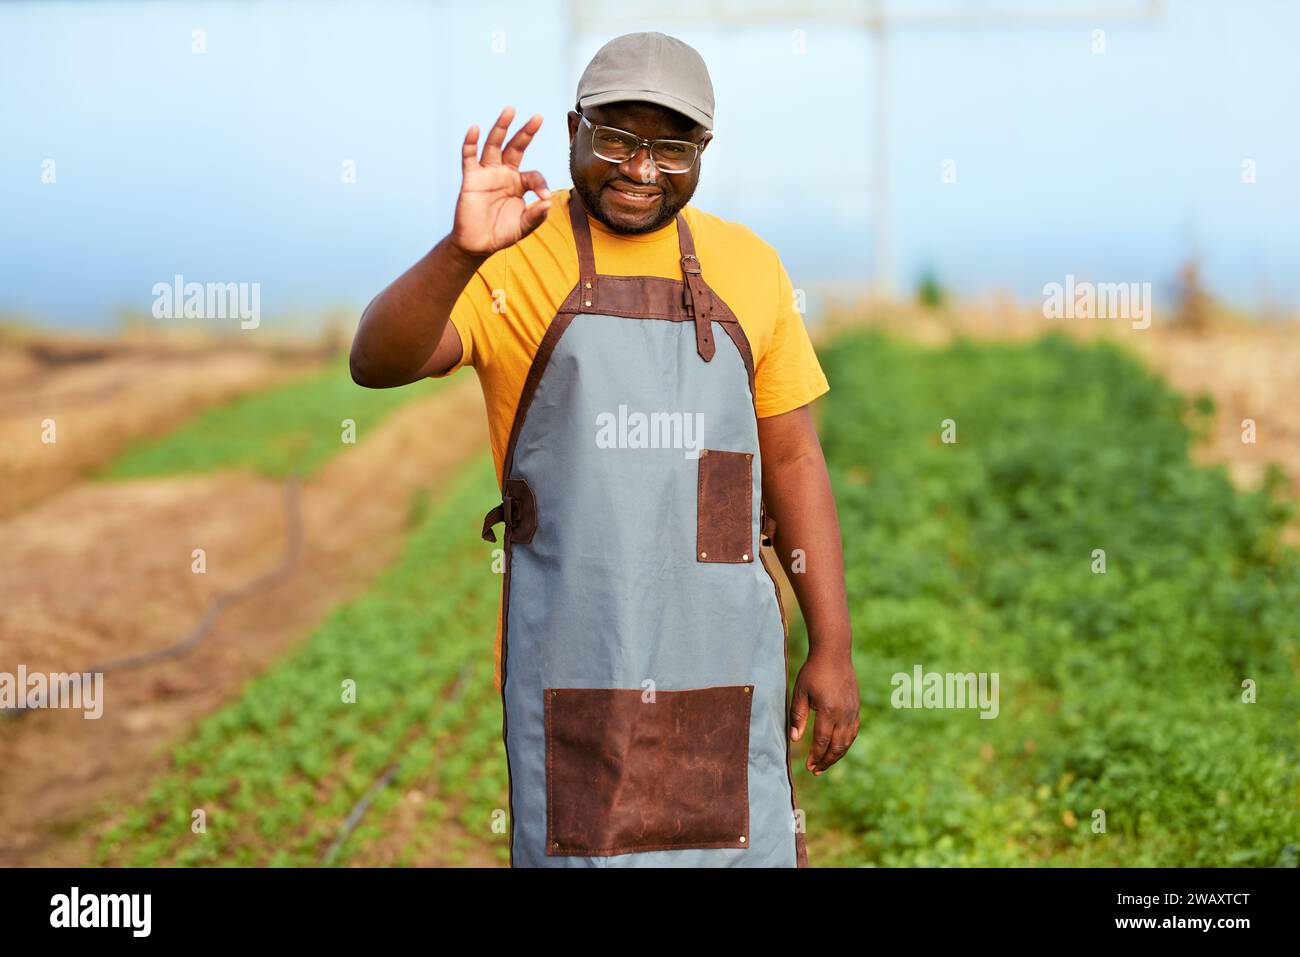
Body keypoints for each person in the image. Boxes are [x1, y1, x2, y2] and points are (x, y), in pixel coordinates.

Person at [351, 31, 859, 867]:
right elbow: (376, 361)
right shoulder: (516, 252)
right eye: (617, 138)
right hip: (579, 665)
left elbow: (796, 459)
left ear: (703, 150)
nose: (641, 168)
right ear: (573, 129)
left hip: (725, 659)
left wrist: (831, 647)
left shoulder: (749, 264)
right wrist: (460, 254)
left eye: (672, 147)